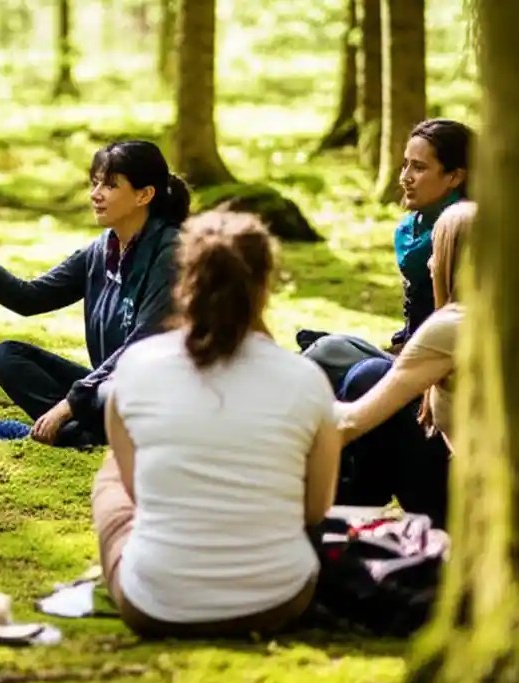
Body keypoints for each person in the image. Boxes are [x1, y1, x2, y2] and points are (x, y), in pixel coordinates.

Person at [92, 211, 340, 638]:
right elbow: (316, 510)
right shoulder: (306, 379)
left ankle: (160, 558)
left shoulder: (137, 366)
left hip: (155, 604)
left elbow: (139, 496)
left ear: (185, 278)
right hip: (280, 599)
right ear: (264, 286)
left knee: (112, 470)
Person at [0, 140, 188, 446]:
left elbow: (142, 348)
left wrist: (68, 404)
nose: (95, 194)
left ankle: (74, 433)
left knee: (103, 393)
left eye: (110, 186)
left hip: (152, 398)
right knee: (8, 356)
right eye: (94, 183)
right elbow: (30, 298)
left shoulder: (171, 253)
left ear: (144, 194)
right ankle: (82, 434)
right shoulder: (101, 250)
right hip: (109, 386)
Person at [333, 201, 475, 520]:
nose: (429, 264)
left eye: (436, 250)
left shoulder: (451, 327)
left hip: (467, 499)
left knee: (368, 377)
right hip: (481, 480)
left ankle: (337, 522)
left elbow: (352, 421)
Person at [388, 118, 472, 350]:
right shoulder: (410, 228)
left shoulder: (463, 230)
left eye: (419, 167)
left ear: (455, 177)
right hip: (410, 344)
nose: (405, 178)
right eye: (405, 165)